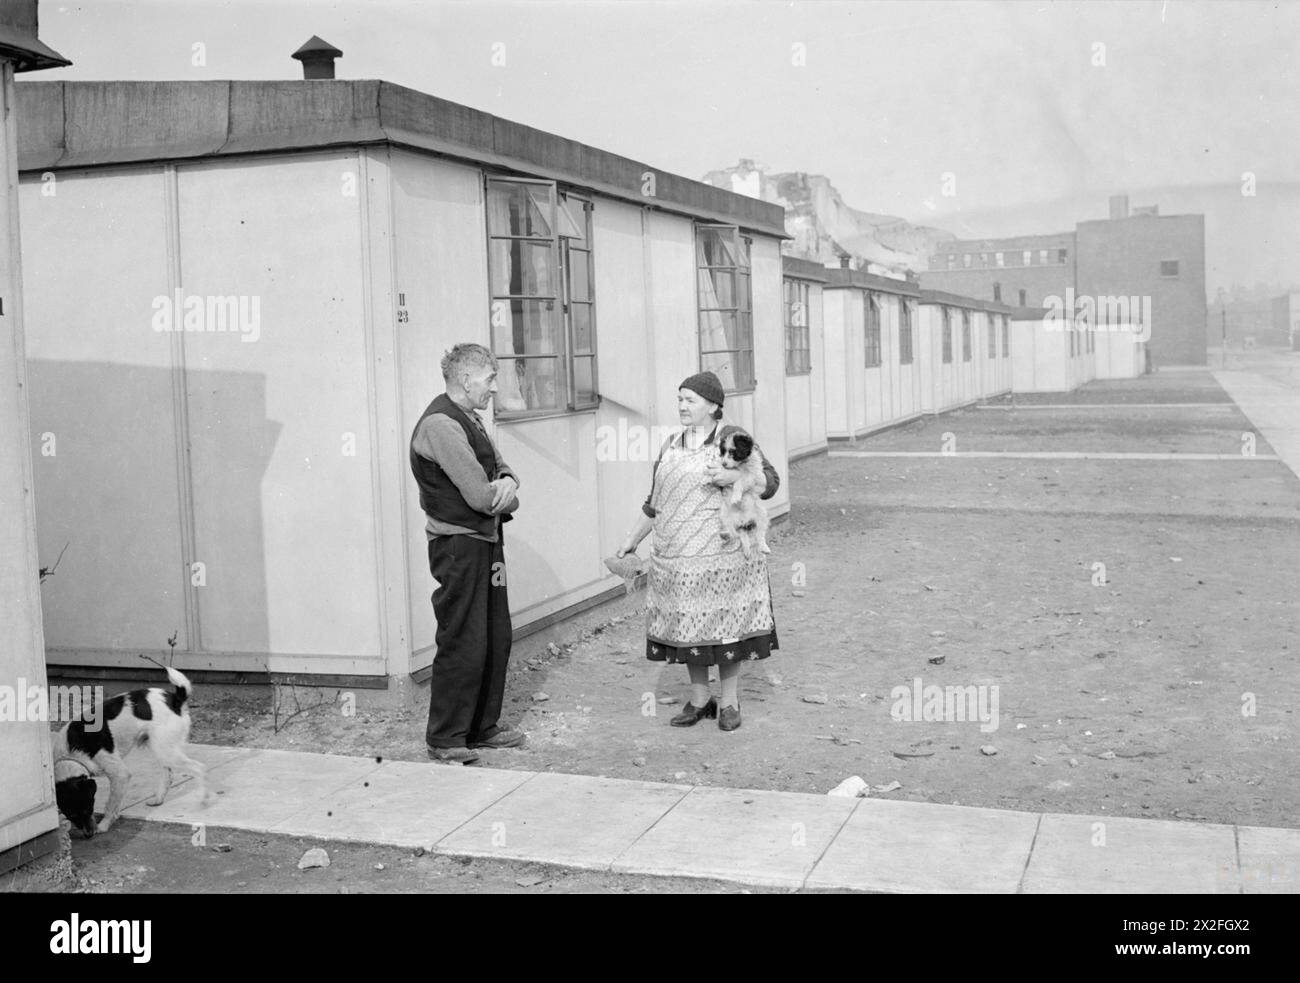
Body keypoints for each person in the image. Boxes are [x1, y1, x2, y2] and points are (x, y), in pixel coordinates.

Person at [615, 371, 780, 731]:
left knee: (727, 631)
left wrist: (737, 479)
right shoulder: (671, 445)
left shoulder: (731, 438)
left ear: (713, 405)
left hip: (724, 557)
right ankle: (701, 699)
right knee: (690, 630)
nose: (682, 406)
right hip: (678, 559)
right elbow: (653, 503)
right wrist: (632, 540)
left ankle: (731, 702)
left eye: (690, 400)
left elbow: (770, 481)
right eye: (679, 399)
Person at [410, 343, 525, 764]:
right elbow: (481, 495)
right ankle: (445, 737)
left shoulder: (471, 421)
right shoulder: (441, 425)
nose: (494, 389)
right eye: (490, 379)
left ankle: (481, 727)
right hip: (458, 547)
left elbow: (504, 470)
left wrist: (508, 483)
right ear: (465, 379)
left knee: (495, 636)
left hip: (488, 545)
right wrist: (506, 495)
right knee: (463, 638)